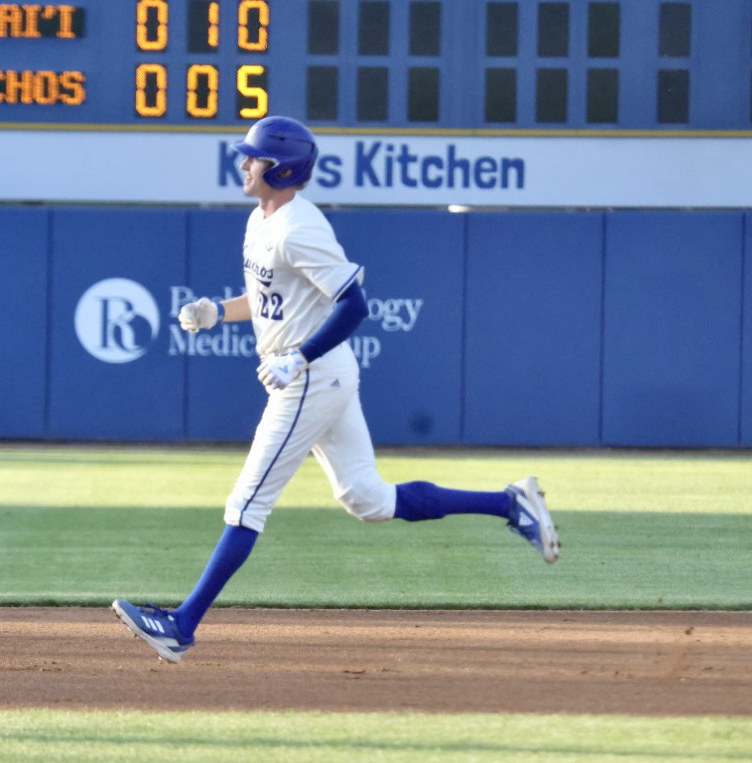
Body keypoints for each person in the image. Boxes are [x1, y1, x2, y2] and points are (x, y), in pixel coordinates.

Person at [112, 116, 559, 663]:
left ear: (279, 169)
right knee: (368, 499)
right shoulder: (261, 220)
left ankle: (181, 625)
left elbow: (354, 304)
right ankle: (509, 504)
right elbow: (273, 296)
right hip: (321, 373)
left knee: (247, 502)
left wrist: (297, 359)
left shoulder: (301, 225)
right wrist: (216, 312)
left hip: (311, 377)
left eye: (252, 157)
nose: (243, 163)